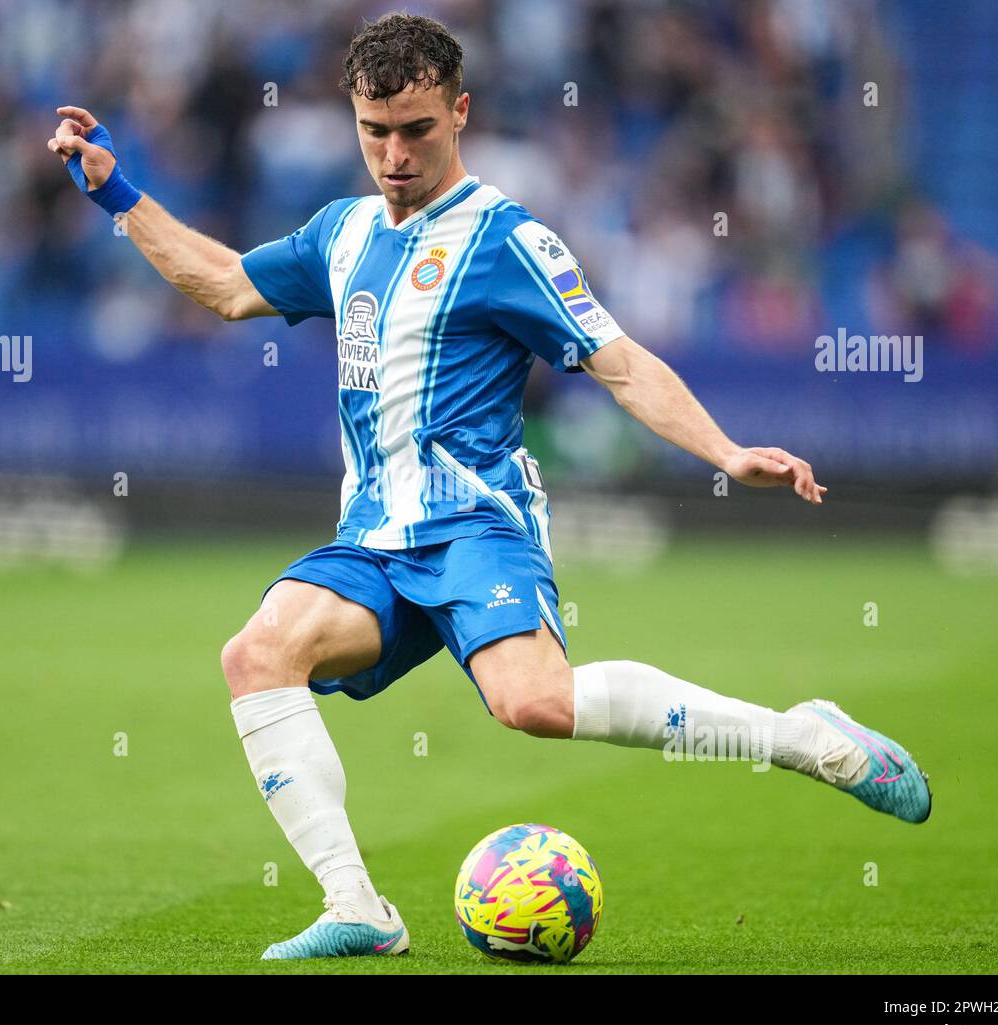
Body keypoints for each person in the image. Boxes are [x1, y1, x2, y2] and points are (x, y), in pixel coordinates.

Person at [48, 12, 930, 961]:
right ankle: (359, 906)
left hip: (475, 525)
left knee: (534, 704)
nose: (394, 154)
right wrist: (117, 192)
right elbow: (224, 284)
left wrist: (724, 451)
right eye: (374, 131)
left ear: (459, 113)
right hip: (374, 541)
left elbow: (618, 360)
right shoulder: (338, 234)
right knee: (255, 656)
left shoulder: (506, 238)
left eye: (417, 130)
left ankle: (803, 736)